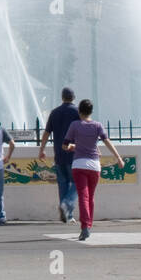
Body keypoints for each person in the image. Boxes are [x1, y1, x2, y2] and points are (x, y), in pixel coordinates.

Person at [62, 99, 125, 240]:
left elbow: (65, 146)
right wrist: (119, 158)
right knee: (90, 197)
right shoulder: (97, 125)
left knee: (83, 197)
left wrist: (74, 146)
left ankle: (84, 227)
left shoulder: (74, 125)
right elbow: (107, 142)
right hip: (94, 166)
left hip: (79, 165)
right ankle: (88, 225)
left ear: (79, 111)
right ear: (91, 111)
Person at [37, 87, 80, 223]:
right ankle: (67, 207)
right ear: (73, 97)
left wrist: (42, 149)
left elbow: (46, 133)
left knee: (63, 184)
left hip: (59, 155)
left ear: (62, 97)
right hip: (74, 154)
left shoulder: (54, 112)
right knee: (77, 183)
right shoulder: (77, 112)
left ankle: (67, 214)